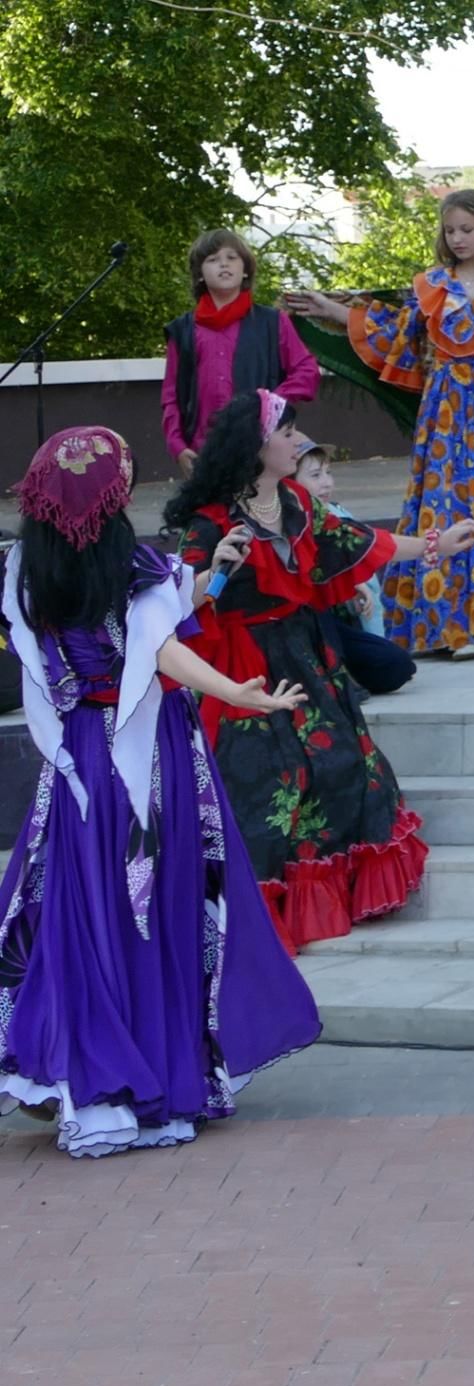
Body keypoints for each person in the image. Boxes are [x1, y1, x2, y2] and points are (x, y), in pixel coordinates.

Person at [0, 426, 322, 1157]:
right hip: (148, 758)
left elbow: (141, 625)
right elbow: (160, 649)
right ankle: (145, 1079)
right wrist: (240, 692)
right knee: (155, 908)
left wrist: (208, 577)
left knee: (82, 908)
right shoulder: (130, 565)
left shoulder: (25, 571)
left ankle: (81, 1073)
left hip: (78, 757)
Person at [163, 390, 474, 949]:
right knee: (267, 782)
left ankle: (335, 891)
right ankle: (260, 912)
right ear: (258, 444)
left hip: (307, 652)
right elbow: (179, 604)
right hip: (248, 664)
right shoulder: (209, 521)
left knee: (350, 764)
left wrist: (437, 544)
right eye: (286, 433)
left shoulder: (298, 504)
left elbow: (361, 543)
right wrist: (214, 570)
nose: (295, 442)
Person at [283, 189, 474, 660]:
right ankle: (440, 627)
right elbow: (390, 331)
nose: (458, 238)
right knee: (444, 507)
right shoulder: (433, 286)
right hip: (444, 413)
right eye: (451, 231)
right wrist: (332, 310)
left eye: (466, 229)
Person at [162, 230, 318, 478]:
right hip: (204, 453)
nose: (223, 263)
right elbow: (171, 397)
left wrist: (269, 405)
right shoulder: (182, 331)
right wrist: (178, 446)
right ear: (199, 275)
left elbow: (307, 371)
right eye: (212, 259)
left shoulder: (273, 322)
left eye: (231, 257)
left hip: (263, 450)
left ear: (245, 270)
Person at [293, 439, 416, 697]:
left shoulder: (336, 512)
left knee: (396, 664)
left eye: (328, 473)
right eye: (315, 475)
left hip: (347, 613)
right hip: (310, 614)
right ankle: (335, 672)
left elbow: (364, 547)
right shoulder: (292, 517)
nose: (326, 482)